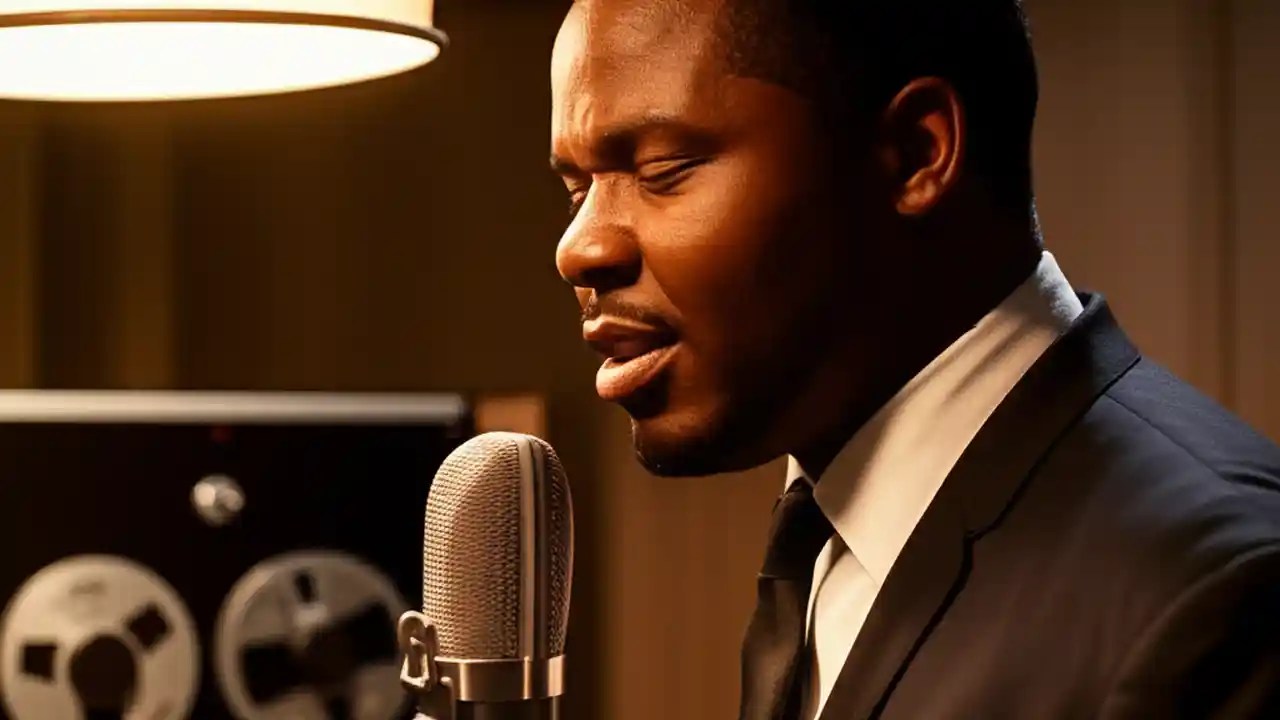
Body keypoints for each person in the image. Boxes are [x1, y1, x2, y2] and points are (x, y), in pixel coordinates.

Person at [548, 0, 1280, 718]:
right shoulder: (826, 526)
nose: (578, 247)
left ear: (915, 154)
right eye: (576, 186)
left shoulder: (1220, 594)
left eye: (663, 169)